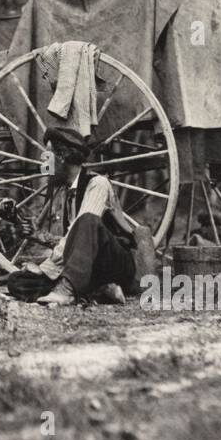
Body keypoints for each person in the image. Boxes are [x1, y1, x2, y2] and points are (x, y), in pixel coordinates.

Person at [31, 126, 141, 306]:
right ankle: (97, 290)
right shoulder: (66, 192)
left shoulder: (98, 183)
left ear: (62, 156)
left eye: (47, 159)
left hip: (112, 261)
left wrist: (46, 268)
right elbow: (74, 241)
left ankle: (68, 290)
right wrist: (37, 238)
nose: (44, 166)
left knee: (87, 219)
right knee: (18, 282)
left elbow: (82, 229)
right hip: (85, 265)